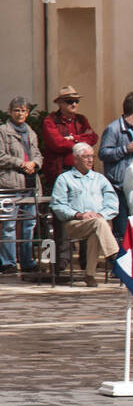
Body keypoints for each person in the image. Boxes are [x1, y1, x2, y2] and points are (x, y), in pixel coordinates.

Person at [49, 142, 118, 286]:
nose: (90, 160)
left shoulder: (99, 179)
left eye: (92, 156)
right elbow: (57, 205)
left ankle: (89, 275)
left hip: (98, 223)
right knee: (100, 225)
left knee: (98, 227)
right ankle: (115, 256)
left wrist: (100, 214)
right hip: (74, 224)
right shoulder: (65, 179)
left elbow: (112, 203)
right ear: (75, 159)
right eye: (86, 157)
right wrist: (78, 214)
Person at [99, 92, 133, 240]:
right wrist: (125, 149)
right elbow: (103, 153)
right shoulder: (113, 129)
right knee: (122, 230)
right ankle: (119, 262)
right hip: (119, 186)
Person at [0, 96, 43, 274]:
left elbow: (38, 154)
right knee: (9, 225)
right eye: (17, 110)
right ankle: (8, 262)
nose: (20, 113)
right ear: (10, 112)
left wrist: (35, 164)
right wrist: (20, 163)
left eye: (23, 110)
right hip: (11, 184)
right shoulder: (3, 131)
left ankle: (27, 261)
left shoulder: (31, 132)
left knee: (29, 224)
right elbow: (1, 156)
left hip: (30, 183)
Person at [40, 86, 97, 192]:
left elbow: (93, 138)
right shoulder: (50, 121)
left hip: (83, 170)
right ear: (60, 103)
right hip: (61, 170)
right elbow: (57, 144)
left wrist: (73, 138)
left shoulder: (82, 119)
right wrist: (82, 142)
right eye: (70, 101)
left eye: (76, 101)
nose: (74, 104)